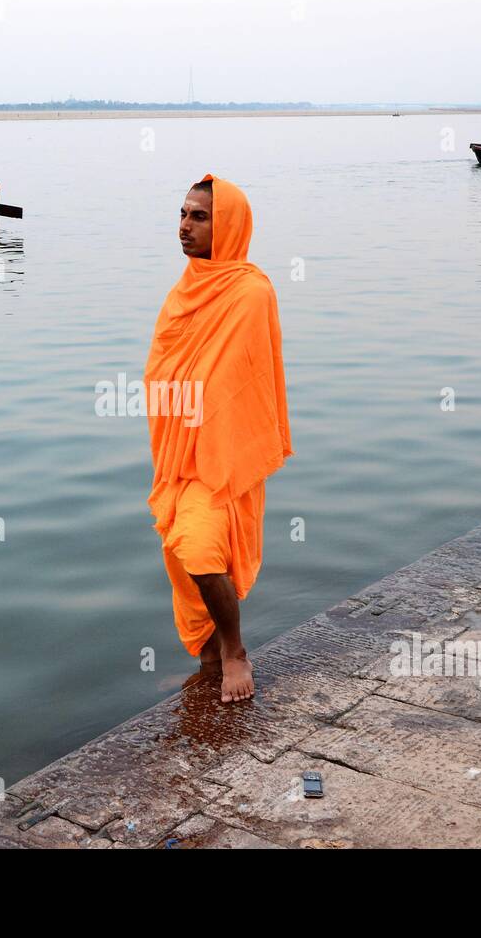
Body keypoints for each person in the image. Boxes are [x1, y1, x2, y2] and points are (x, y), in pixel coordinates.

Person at [145, 175, 292, 704]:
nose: (185, 226)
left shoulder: (251, 291)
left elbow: (245, 379)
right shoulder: (187, 286)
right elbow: (166, 366)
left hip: (223, 453)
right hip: (181, 451)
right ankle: (207, 663)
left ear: (226, 224)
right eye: (182, 214)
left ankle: (234, 652)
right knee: (184, 559)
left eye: (199, 217)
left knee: (203, 553)